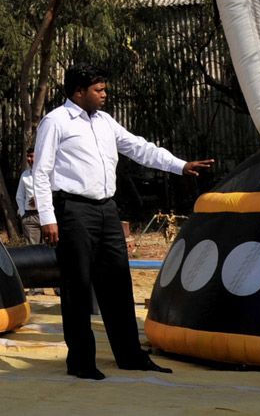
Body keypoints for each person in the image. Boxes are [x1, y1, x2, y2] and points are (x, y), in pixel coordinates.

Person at [33, 65, 213, 380]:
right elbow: (41, 172)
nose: (105, 95)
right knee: (77, 286)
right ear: (79, 92)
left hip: (106, 210)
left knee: (117, 282)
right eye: (98, 90)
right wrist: (47, 217)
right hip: (73, 210)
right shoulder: (56, 122)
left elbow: (139, 148)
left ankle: (130, 355)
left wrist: (180, 165)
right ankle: (81, 362)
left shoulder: (105, 122)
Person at [15, 148, 41, 245]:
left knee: (49, 250)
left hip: (46, 215)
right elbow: (19, 196)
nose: (29, 159)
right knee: (33, 251)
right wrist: (23, 215)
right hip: (29, 217)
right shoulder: (25, 175)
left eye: (31, 156)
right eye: (28, 156)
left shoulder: (49, 174)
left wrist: (38, 199)